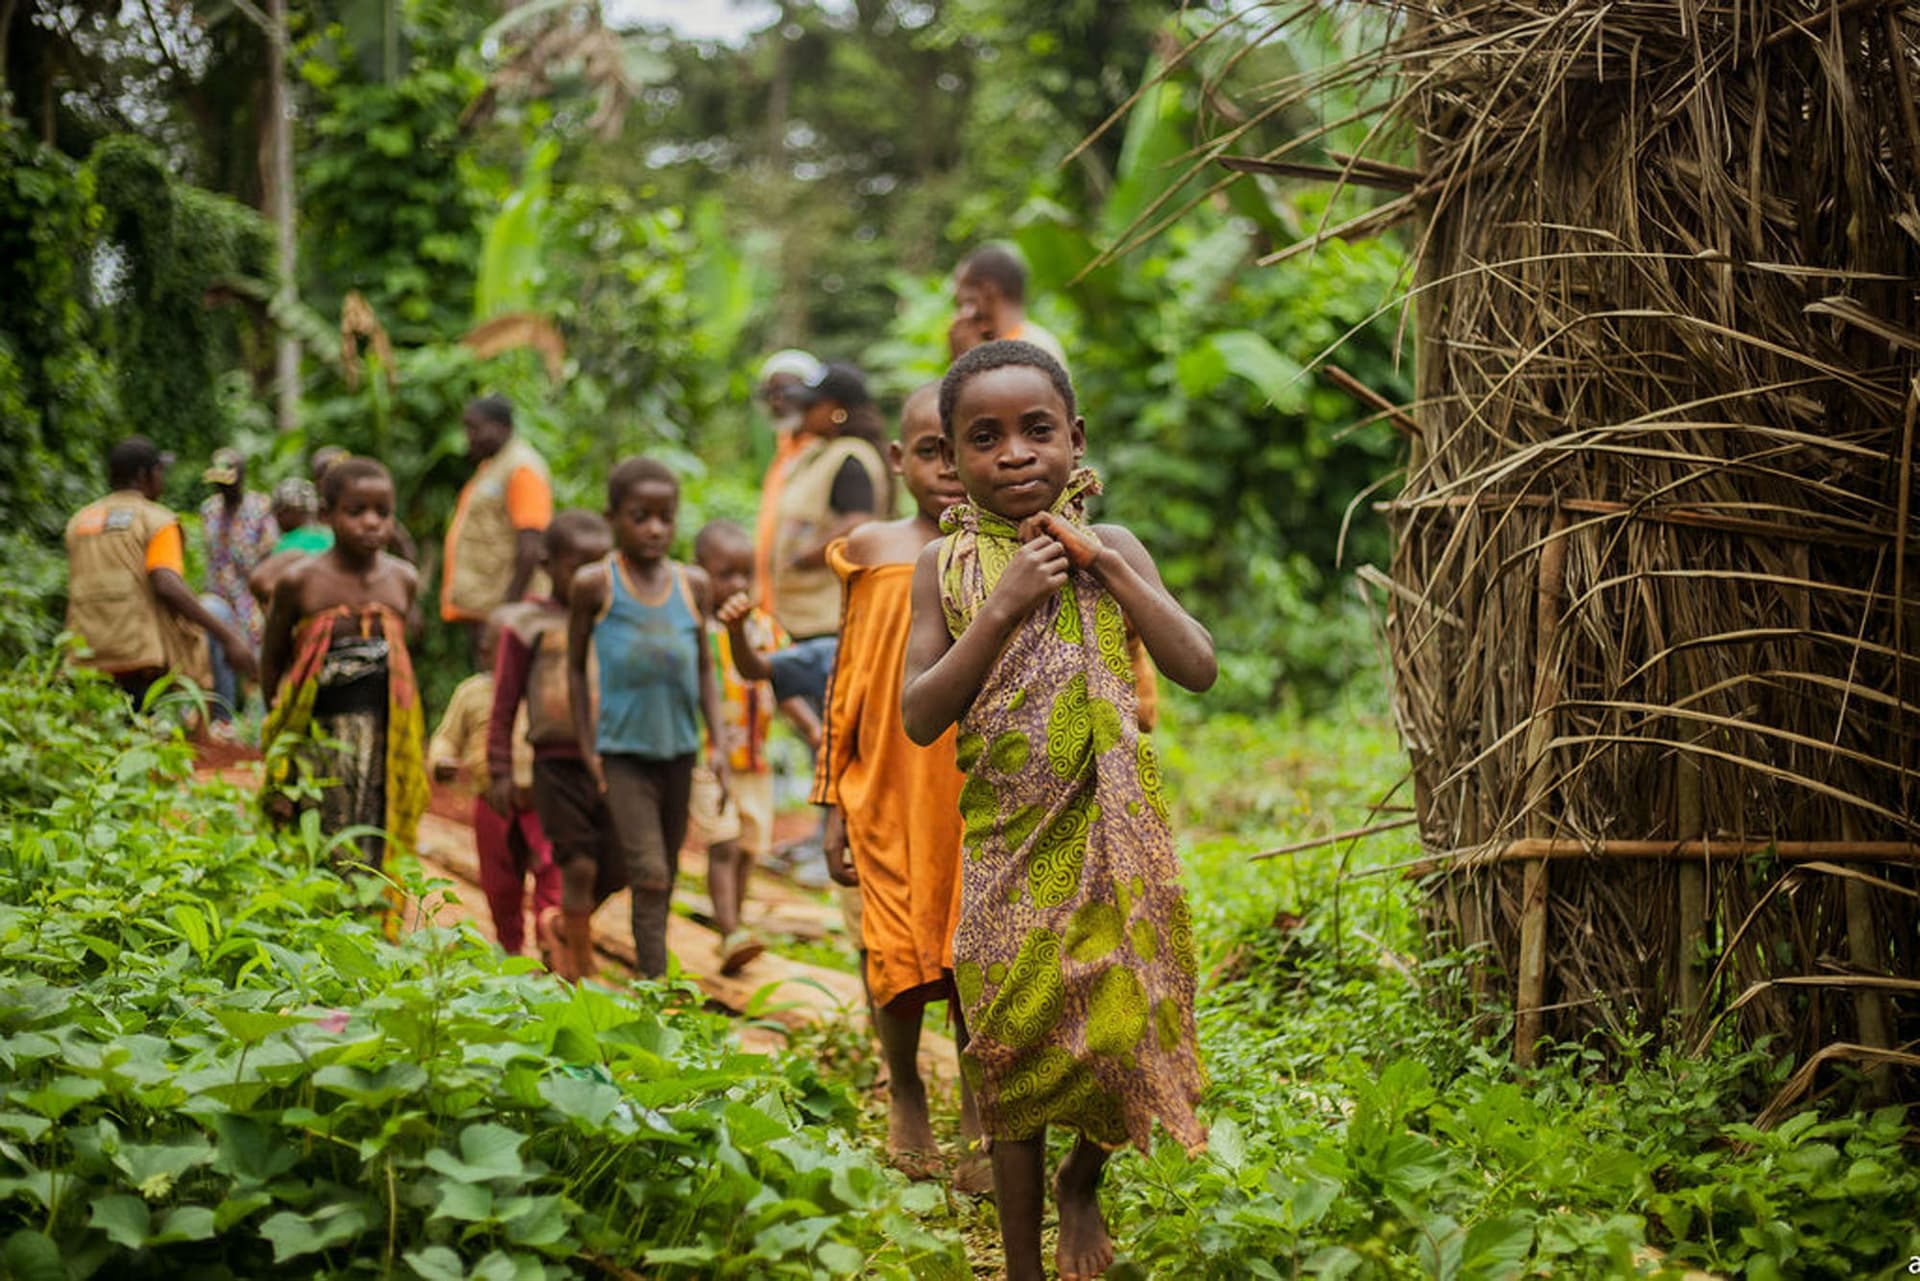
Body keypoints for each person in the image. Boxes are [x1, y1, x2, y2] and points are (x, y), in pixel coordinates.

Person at [901, 341, 1216, 1281]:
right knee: (1008, 1047)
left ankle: (1085, 1182)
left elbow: (1197, 666)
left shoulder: (1113, 549)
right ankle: (1021, 1266)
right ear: (951, 460)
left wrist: (1105, 570)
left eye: (1036, 430)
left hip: (1114, 835)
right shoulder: (944, 567)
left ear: (1074, 439)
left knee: (1124, 1025)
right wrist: (999, 608)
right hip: (1007, 845)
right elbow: (920, 715)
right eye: (983, 438)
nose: (1014, 455)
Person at [808, 381, 983, 1185]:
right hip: (883, 782)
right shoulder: (875, 549)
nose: (946, 469)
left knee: (974, 950)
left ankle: (983, 1106)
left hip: (975, 787)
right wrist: (829, 799)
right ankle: (907, 1088)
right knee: (891, 948)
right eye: (927, 452)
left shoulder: (1001, 550)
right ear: (896, 458)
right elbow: (847, 680)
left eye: (958, 449)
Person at [567, 459, 727, 979]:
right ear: (613, 518)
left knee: (668, 871)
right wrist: (589, 748)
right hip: (623, 754)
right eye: (641, 516)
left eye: (666, 517)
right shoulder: (595, 585)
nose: (655, 529)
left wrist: (718, 742)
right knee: (650, 873)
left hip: (679, 752)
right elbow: (572, 667)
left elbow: (705, 666)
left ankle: (626, 960)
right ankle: (653, 987)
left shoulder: (693, 584)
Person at [259, 456, 428, 914]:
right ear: (328, 514)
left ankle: (374, 936)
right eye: (357, 511)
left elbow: (405, 660)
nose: (372, 523)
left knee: (377, 834)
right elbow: (273, 660)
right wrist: (282, 746)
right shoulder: (300, 582)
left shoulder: (402, 579)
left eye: (383, 511)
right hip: (320, 736)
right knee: (319, 835)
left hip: (385, 734)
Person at [492, 510, 622, 983]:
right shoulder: (527, 623)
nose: (591, 578)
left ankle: (564, 923)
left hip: (611, 761)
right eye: (579, 565)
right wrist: (500, 768)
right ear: (548, 564)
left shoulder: (613, 617)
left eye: (601, 566)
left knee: (624, 857)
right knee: (575, 862)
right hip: (552, 763)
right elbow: (503, 701)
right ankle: (577, 971)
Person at [691, 519, 821, 976]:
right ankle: (728, 929)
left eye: (745, 574)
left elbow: (783, 687)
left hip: (757, 762)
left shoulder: (765, 629)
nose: (738, 584)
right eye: (726, 573)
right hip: (710, 761)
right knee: (724, 844)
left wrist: (811, 729)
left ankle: (737, 925)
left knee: (747, 846)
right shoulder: (694, 631)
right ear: (698, 573)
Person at [65, 436, 257, 710]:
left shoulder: (80, 522)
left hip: (84, 651)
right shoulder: (157, 520)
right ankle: (218, 721)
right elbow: (165, 583)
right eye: (159, 472)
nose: (162, 479)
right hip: (137, 653)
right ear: (144, 475)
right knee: (216, 611)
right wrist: (228, 638)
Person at [429, 613, 558, 959]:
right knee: (500, 882)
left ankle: (551, 946)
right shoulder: (472, 693)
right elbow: (446, 738)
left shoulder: (546, 690)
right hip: (492, 802)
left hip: (543, 800)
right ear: (485, 653)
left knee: (551, 873)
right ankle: (510, 950)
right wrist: (442, 761)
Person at [441, 395, 552, 654]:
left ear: (501, 427)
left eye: (475, 428)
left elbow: (531, 546)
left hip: (505, 611)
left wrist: (508, 611)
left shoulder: (522, 469)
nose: (469, 436)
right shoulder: (493, 466)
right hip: (486, 606)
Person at [198, 447, 278, 724]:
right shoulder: (209, 510)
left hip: (252, 598)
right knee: (216, 649)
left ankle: (261, 725)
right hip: (221, 596)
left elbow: (270, 557)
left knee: (258, 661)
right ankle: (223, 720)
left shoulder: (260, 508)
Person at [752, 349, 825, 613]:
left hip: (812, 603)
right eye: (770, 394)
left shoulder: (825, 452)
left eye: (787, 391)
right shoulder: (783, 452)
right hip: (773, 601)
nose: (778, 401)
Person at [948, 243, 1069, 374]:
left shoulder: (1033, 350)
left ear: (987, 290)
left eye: (964, 293)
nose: (960, 308)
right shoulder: (1010, 343)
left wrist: (969, 360)